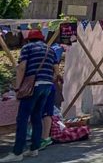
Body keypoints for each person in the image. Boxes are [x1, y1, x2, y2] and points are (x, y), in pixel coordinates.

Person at [0, 30, 57, 162]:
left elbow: (21, 67)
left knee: (22, 118)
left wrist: (18, 88)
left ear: (28, 39)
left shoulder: (27, 48)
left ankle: (17, 152)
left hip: (33, 86)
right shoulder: (50, 50)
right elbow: (56, 71)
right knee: (37, 116)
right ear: (41, 39)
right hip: (47, 85)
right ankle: (34, 148)